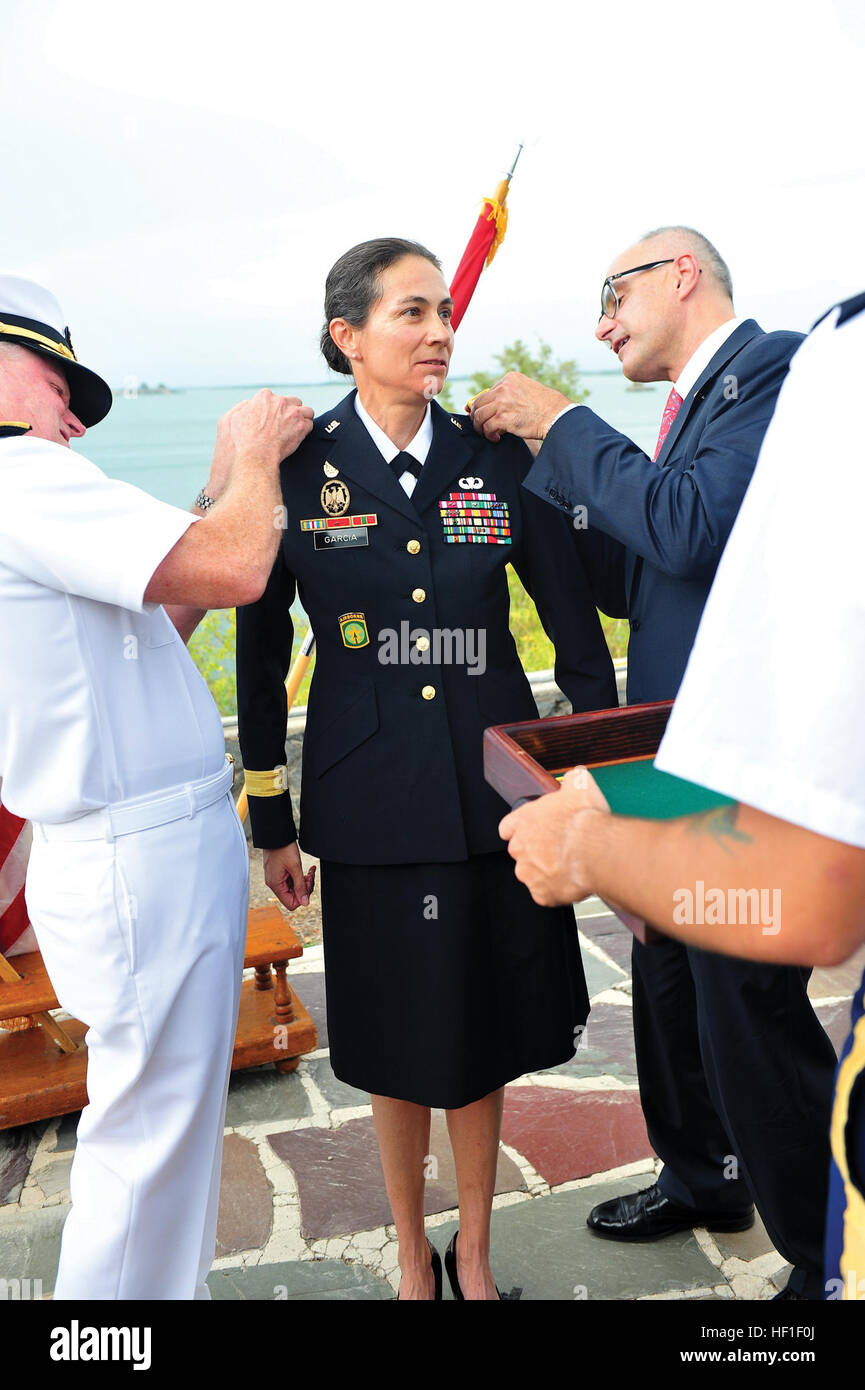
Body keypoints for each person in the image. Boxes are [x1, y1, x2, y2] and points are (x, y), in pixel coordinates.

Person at [235, 237, 618, 1300]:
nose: (441, 329)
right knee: (394, 1029)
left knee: (484, 1024)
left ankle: (478, 1252)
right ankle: (413, 1252)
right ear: (346, 337)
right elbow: (261, 659)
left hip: (496, 796)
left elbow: (573, 630)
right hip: (369, 800)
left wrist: (600, 774)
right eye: (411, 312)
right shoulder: (299, 471)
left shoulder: (498, 459)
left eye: (444, 309)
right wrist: (273, 818)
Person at [469, 227, 836, 1300]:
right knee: (671, 981)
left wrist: (565, 422)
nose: (600, 322)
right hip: (676, 749)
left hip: (751, 760)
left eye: (612, 293)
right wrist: (535, 472)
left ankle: (829, 1248)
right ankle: (705, 1172)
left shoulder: (771, 372)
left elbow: (685, 528)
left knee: (744, 1001)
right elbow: (637, 578)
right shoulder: (683, 418)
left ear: (682, 274)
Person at [0, 274, 313, 1299]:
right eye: (62, 387)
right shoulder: (20, 480)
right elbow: (235, 569)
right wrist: (255, 454)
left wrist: (217, 489)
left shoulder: (29, 495)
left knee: (159, 1132)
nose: (75, 422)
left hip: (123, 849)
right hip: (138, 854)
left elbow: (159, 619)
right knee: (146, 1144)